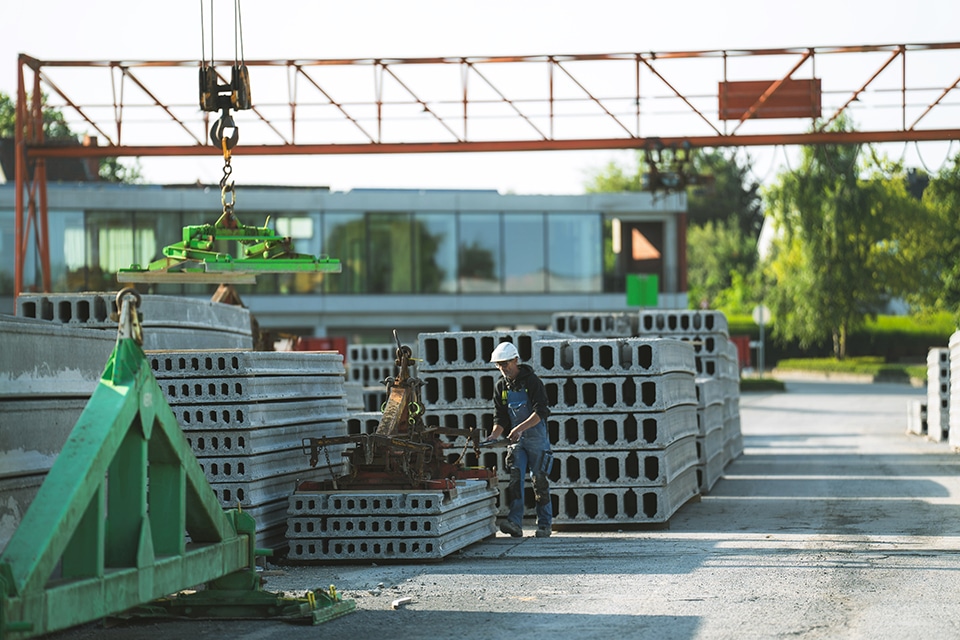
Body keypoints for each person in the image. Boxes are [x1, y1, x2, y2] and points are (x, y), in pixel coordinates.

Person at [485, 341, 553, 538]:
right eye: (499, 365)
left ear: (516, 360)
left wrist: (520, 428)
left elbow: (541, 412)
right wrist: (494, 435)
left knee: (539, 479)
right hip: (517, 441)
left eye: (505, 363)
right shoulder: (501, 387)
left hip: (536, 438)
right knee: (515, 480)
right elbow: (500, 417)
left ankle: (545, 524)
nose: (503, 368)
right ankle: (515, 523)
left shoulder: (532, 382)